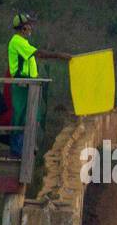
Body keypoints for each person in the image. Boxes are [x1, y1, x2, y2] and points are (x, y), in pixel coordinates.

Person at [8, 13, 72, 156]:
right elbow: (40, 54)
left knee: (29, 116)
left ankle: (27, 146)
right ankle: (18, 149)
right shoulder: (17, 41)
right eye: (29, 25)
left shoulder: (23, 42)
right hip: (21, 84)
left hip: (28, 84)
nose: (31, 28)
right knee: (21, 116)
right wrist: (59, 55)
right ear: (23, 28)